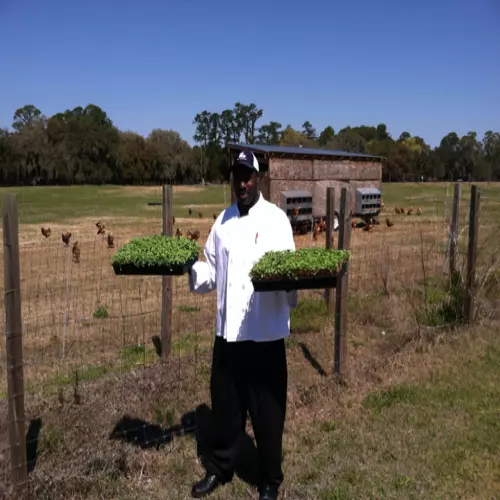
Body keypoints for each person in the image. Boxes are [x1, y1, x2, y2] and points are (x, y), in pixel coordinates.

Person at [188, 149, 298, 500]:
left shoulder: (276, 220)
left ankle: (270, 479)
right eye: (237, 177)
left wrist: (292, 284)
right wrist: (189, 267)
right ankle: (221, 468)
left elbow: (289, 271)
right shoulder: (222, 222)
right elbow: (210, 268)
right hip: (228, 335)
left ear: (259, 178)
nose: (243, 183)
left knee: (267, 415)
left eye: (248, 176)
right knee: (225, 409)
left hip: (264, 336)